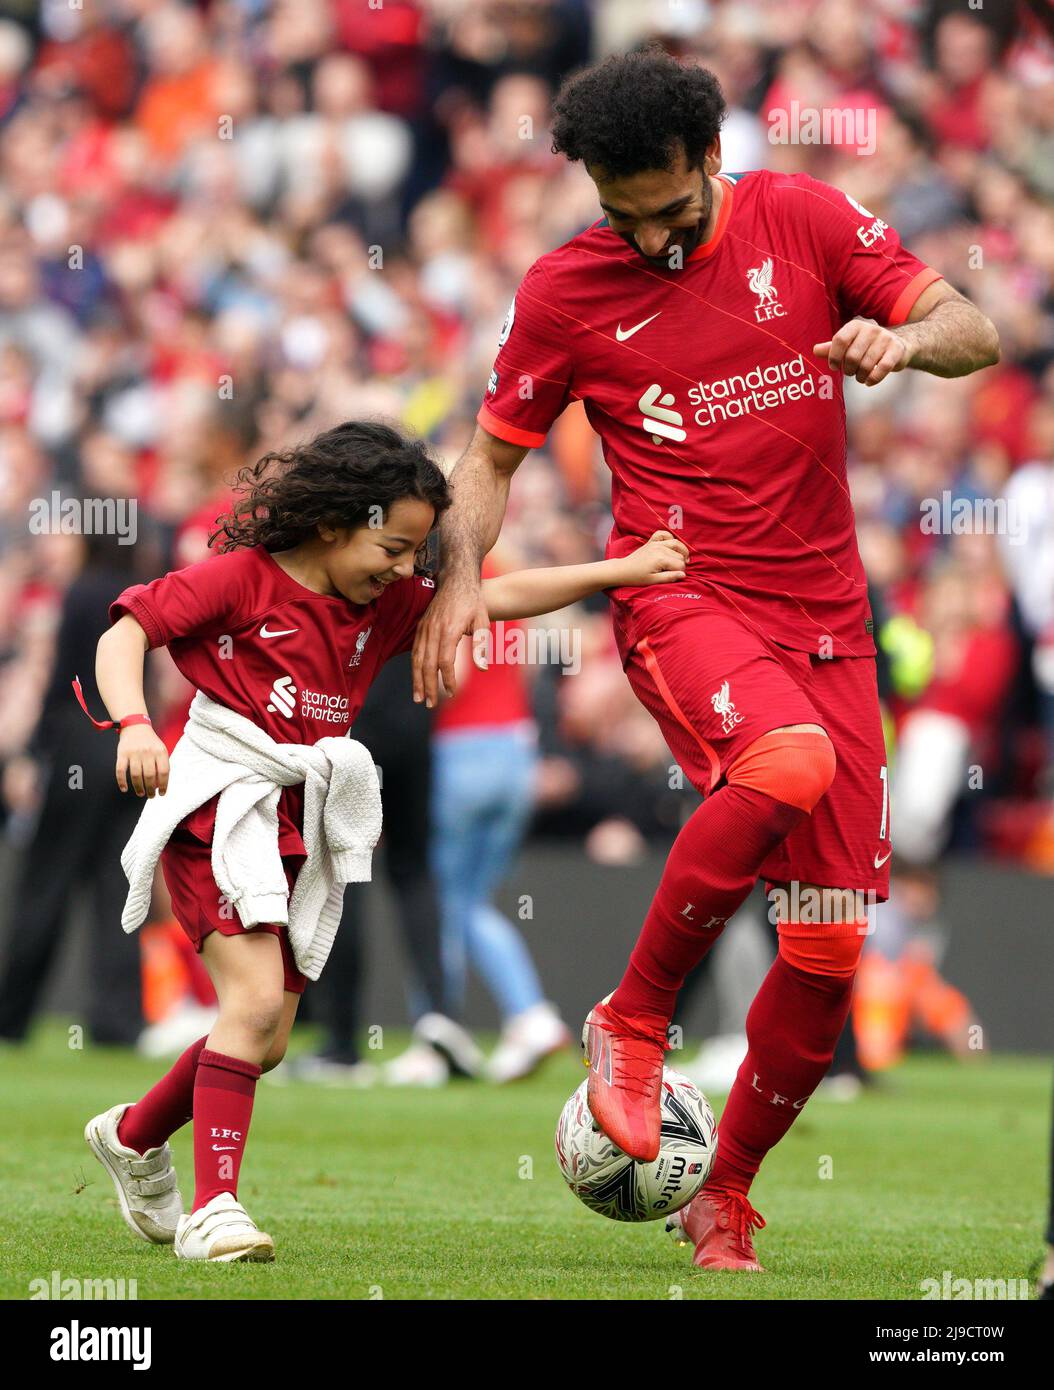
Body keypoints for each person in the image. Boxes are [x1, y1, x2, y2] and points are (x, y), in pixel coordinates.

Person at [411, 49, 1000, 1272]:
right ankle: (629, 1021)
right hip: (684, 594)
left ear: (713, 162)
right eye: (623, 218)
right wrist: (462, 572)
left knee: (828, 942)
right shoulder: (565, 289)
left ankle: (723, 1192)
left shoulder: (806, 217)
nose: (653, 241)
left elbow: (973, 325)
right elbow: (489, 461)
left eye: (672, 212)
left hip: (831, 615)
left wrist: (905, 346)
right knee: (781, 763)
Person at [79, 417, 689, 1263]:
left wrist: (621, 569)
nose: (408, 570)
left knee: (269, 1034)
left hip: (298, 815)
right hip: (219, 800)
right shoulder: (240, 581)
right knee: (251, 1010)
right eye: (395, 548)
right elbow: (125, 632)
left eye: (417, 554)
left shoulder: (388, 603)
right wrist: (135, 725)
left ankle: (134, 1137)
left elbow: (496, 598)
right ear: (333, 523)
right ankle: (215, 1208)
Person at [431, 547, 571, 1082]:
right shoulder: (511, 575)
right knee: (470, 902)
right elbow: (529, 668)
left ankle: (448, 1032)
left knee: (446, 902)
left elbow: (455, 677)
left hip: (461, 751)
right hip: (516, 750)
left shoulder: (450, 576)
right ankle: (526, 1016)